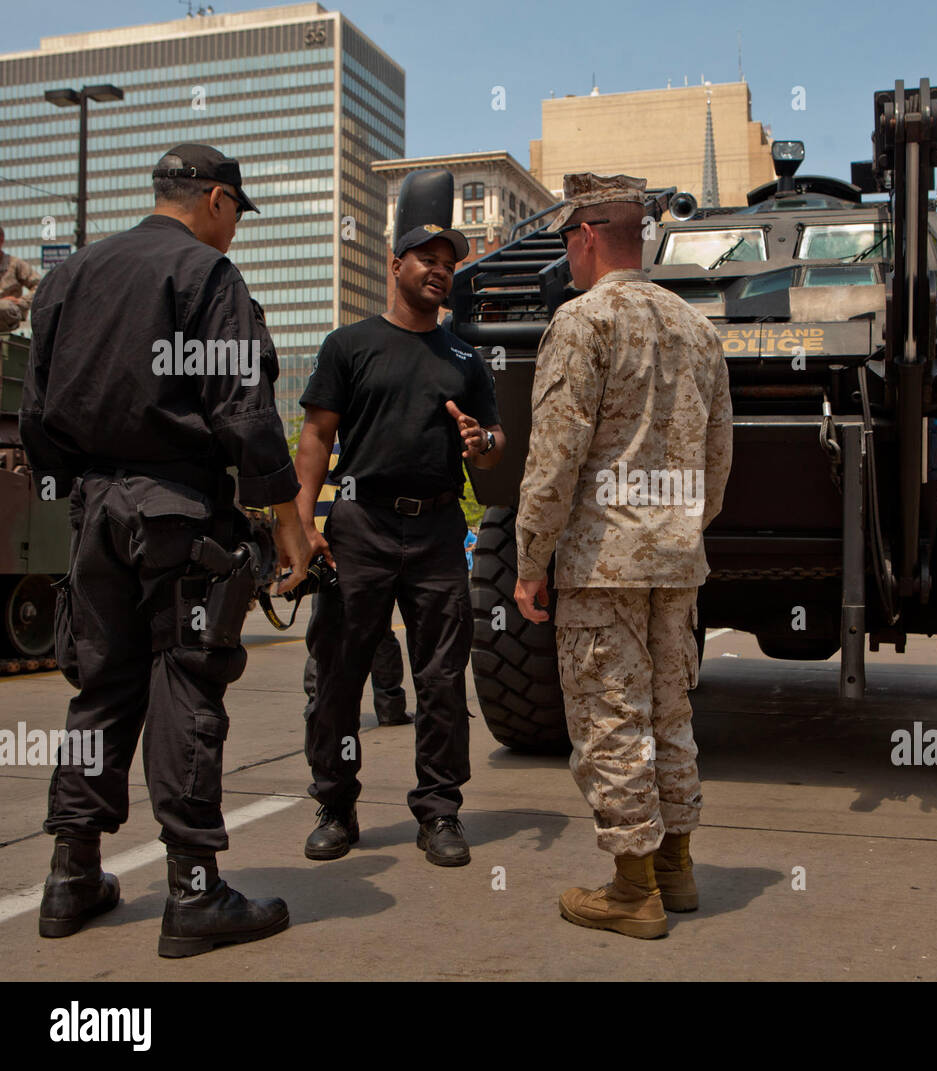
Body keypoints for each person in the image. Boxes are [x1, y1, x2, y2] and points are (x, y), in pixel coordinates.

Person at [20, 143, 310, 956]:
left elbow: (39, 420)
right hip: (178, 511)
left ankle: (70, 875)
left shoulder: (69, 278)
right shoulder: (205, 275)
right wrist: (286, 518)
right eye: (236, 216)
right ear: (216, 199)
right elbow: (243, 412)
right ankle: (193, 893)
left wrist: (87, 490)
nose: (235, 235)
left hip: (98, 514)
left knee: (102, 689)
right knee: (186, 684)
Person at [514, 173, 733, 940]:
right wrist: (680, 532)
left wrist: (530, 559)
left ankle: (632, 888)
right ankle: (676, 865)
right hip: (675, 562)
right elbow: (717, 461)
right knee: (670, 711)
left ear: (584, 237)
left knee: (611, 716)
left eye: (568, 244)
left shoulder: (583, 321)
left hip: (600, 561)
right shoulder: (698, 329)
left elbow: (554, 457)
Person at [295, 220, 505, 866]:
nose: (440, 270)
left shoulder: (465, 360)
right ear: (394, 263)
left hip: (440, 527)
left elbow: (495, 449)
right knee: (337, 671)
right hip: (359, 523)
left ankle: (439, 810)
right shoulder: (349, 346)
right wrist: (301, 526)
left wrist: (483, 444)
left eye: (448, 262)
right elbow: (315, 439)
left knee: (441, 676)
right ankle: (336, 802)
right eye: (427, 258)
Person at [301, 478, 408, 726]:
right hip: (357, 543)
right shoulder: (357, 443)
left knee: (326, 629)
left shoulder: (325, 444)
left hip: (330, 544)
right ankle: (389, 706)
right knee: (378, 632)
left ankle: (317, 704)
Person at [0, 224, 41, 333]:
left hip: (8, 312)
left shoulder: (14, 264)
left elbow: (40, 286)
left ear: (1, 240)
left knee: (3, 307)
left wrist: (22, 302)